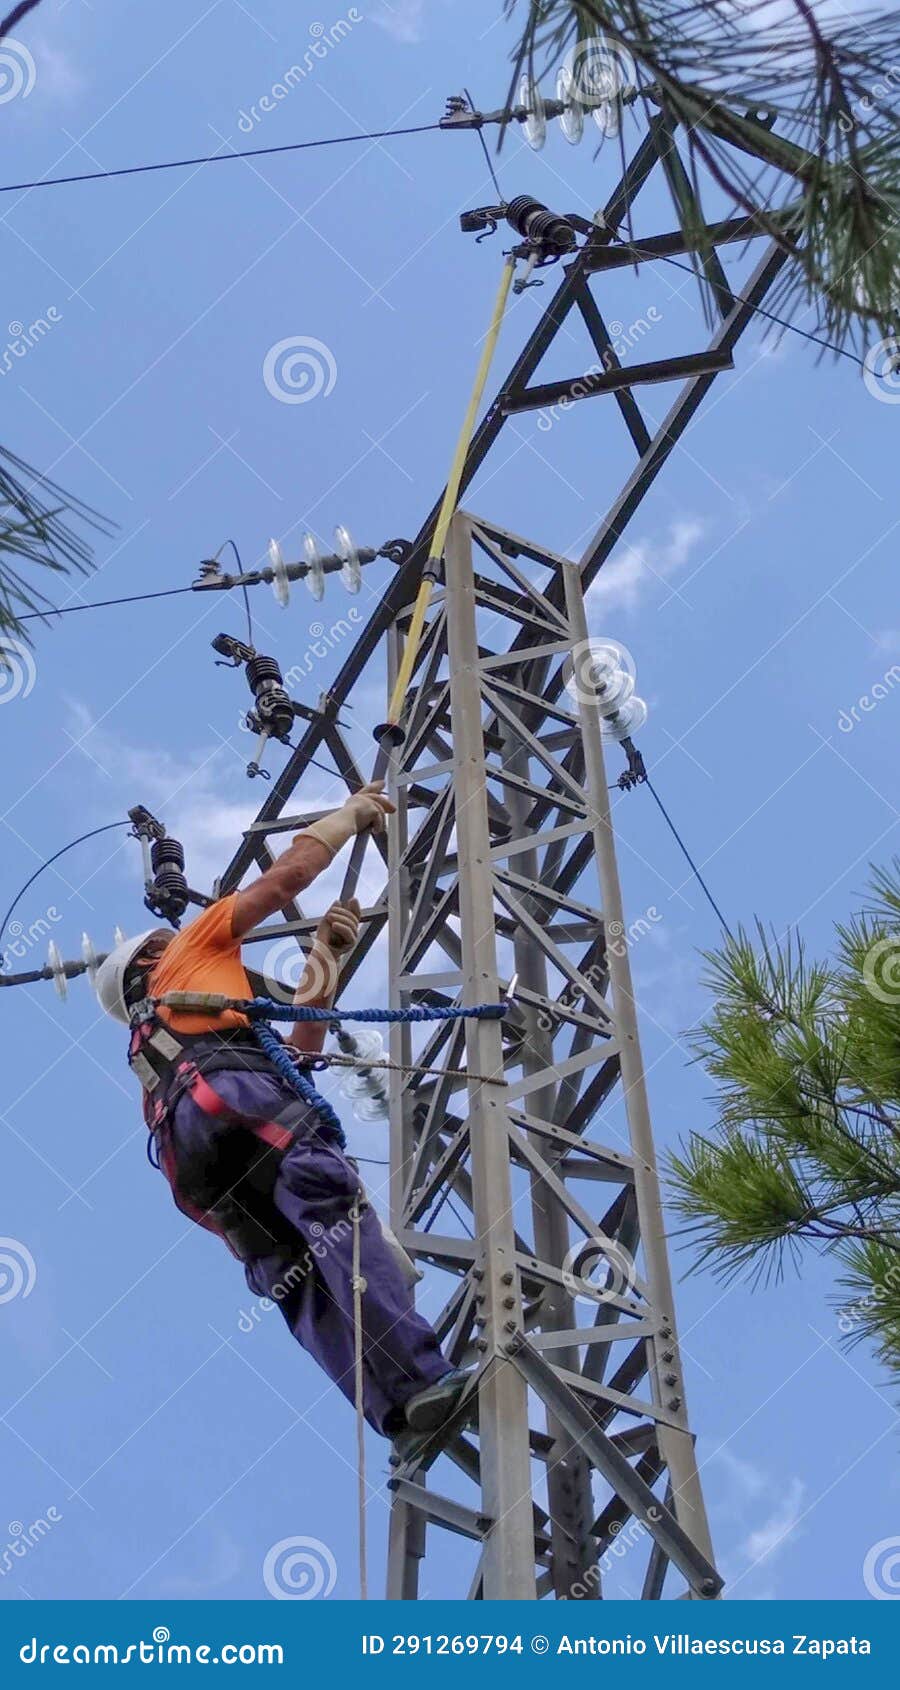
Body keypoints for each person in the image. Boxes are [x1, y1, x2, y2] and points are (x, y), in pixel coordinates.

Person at [94, 781, 466, 1446]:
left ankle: (398, 1415)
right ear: (152, 956)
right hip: (244, 1111)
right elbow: (289, 875)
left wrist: (326, 956)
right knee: (335, 1215)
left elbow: (298, 1053)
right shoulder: (188, 954)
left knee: (299, 1277)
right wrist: (347, 818)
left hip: (203, 1166)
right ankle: (421, 1378)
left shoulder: (160, 1041)